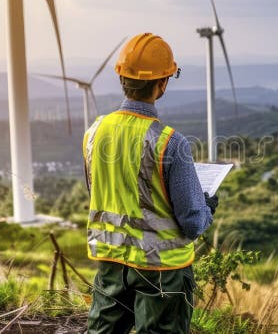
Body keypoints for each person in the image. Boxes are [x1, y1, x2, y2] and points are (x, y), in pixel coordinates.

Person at [84, 33, 218, 333]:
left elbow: (99, 194)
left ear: (121, 77)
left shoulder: (95, 133)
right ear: (162, 83)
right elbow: (193, 223)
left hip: (112, 261)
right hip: (162, 271)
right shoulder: (170, 142)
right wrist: (207, 207)